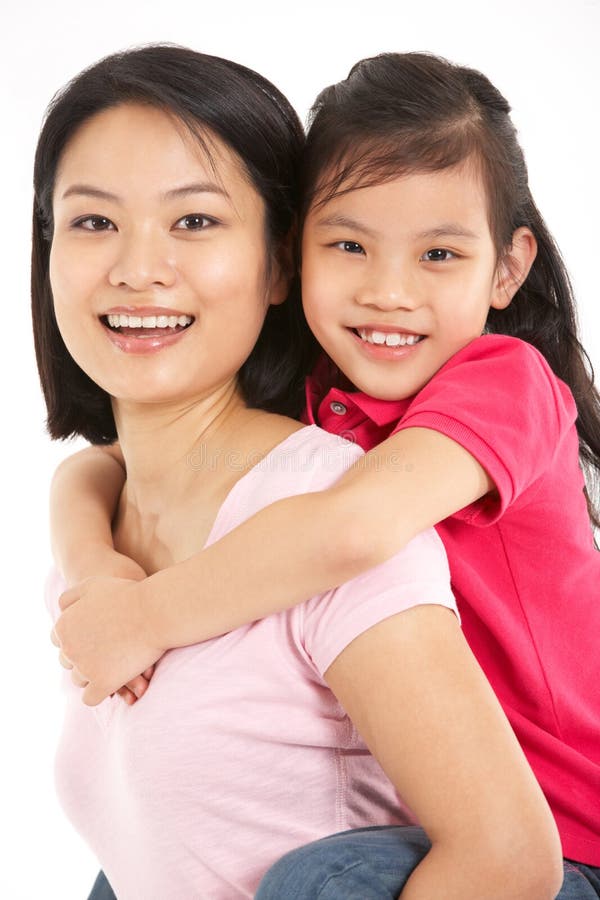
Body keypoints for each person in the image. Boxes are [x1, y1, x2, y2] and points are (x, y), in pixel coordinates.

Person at [50, 51, 600, 897]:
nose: (387, 292)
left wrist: (147, 617)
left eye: (439, 254)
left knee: (319, 877)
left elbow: (353, 528)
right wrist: (94, 566)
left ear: (507, 267)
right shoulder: (328, 394)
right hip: (426, 810)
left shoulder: (505, 384)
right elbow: (98, 465)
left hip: (571, 836)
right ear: (296, 254)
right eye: (349, 245)